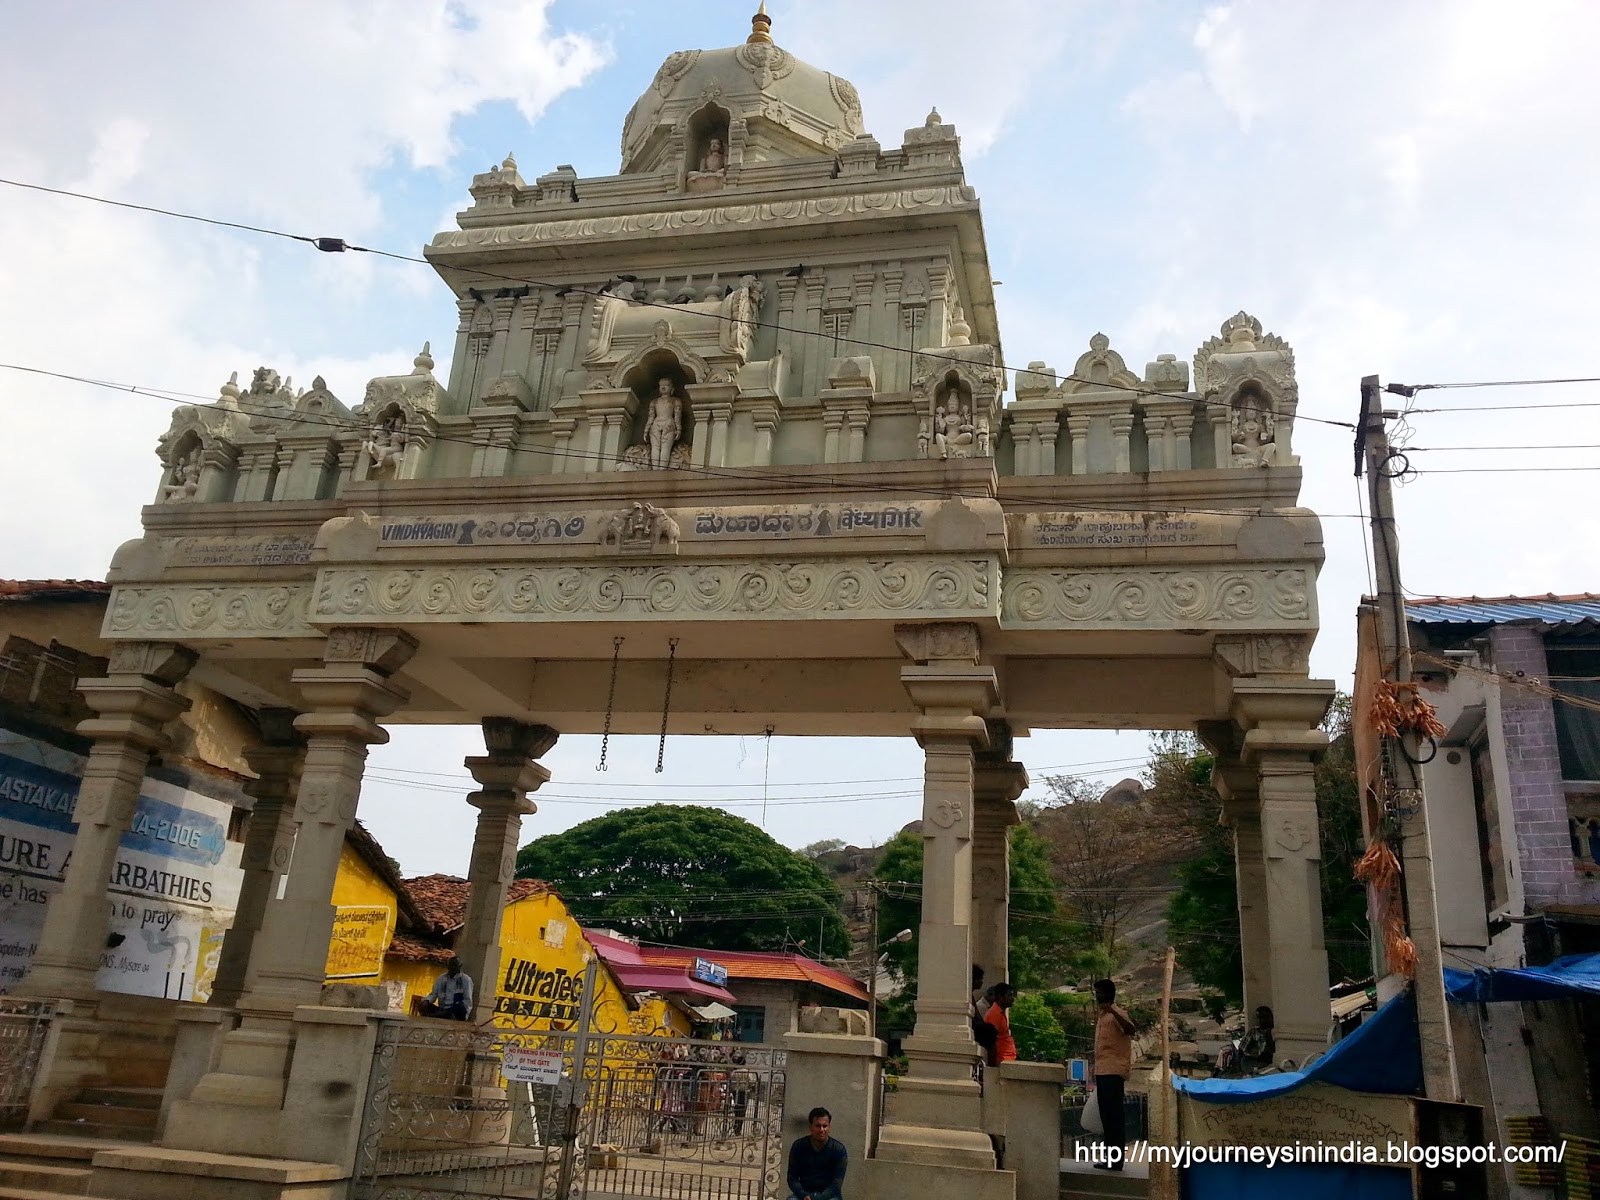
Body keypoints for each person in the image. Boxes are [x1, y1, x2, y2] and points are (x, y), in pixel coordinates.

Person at [1092, 979, 1136, 1169]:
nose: (1098, 996)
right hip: (1101, 1070)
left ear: (1109, 993)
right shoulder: (1101, 1016)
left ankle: (1117, 1160)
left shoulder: (1117, 1013)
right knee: (1106, 1117)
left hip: (1114, 1071)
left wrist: (1113, 1011)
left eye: (1100, 992)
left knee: (1114, 1117)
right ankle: (1109, 1157)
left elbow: (1130, 1029)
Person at [787, 1106, 846, 1200]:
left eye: (825, 1126)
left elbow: (837, 1183)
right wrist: (803, 1195)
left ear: (829, 1127)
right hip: (804, 1194)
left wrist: (819, 1198)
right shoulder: (799, 1146)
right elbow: (792, 1178)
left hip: (829, 1196)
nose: (822, 1130)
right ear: (810, 1127)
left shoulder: (838, 1149)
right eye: (818, 1126)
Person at [420, 956, 473, 1020]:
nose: (452, 968)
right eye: (451, 966)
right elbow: (433, 995)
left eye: (455, 966)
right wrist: (426, 1001)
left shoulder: (466, 980)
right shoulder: (441, 979)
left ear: (460, 966)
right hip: (442, 1009)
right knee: (423, 1005)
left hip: (455, 1011)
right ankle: (439, 1015)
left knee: (459, 1008)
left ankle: (437, 1015)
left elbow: (467, 1001)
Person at [982, 982, 1017, 1065]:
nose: (1012, 998)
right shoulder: (995, 1014)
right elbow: (991, 1042)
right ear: (1001, 997)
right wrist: (992, 1066)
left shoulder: (1000, 1012)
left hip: (1007, 1059)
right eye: (1009, 995)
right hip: (1002, 1061)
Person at [1241, 1005, 1276, 1070]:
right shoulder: (1254, 1031)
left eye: (1266, 1017)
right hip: (1255, 1062)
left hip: (1269, 1061)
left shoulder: (1275, 1031)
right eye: (1261, 1017)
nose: (1264, 1020)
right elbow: (1241, 1049)